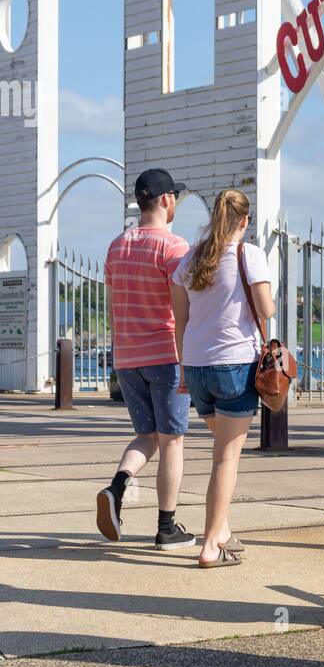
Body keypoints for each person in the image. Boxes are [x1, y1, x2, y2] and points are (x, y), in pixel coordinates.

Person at [170, 189, 275, 568]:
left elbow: (180, 321)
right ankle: (211, 544)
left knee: (222, 451)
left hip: (197, 367)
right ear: (244, 221)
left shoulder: (189, 260)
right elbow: (265, 310)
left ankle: (224, 527)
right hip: (234, 365)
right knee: (226, 458)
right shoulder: (250, 255)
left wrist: (184, 370)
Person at [98, 168, 195, 550]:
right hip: (165, 357)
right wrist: (189, 360)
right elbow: (182, 309)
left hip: (127, 357)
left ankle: (117, 487)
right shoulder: (174, 248)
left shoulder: (115, 246)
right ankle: (167, 527)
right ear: (166, 200)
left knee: (147, 436)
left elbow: (112, 307)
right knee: (172, 441)